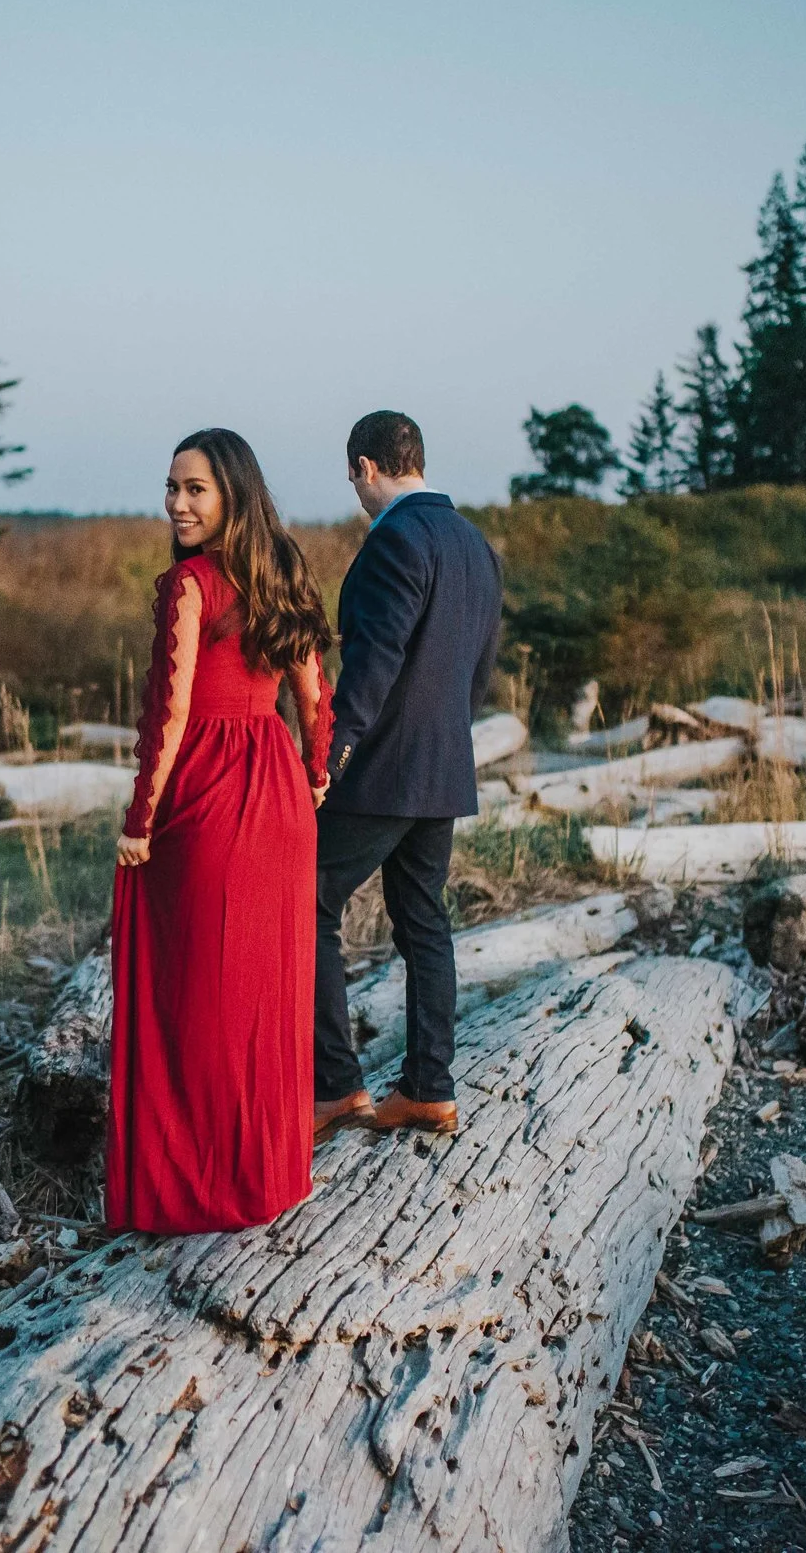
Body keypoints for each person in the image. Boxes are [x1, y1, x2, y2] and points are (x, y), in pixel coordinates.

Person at [106, 429, 336, 1234]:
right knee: (263, 992)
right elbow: (315, 695)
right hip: (274, 790)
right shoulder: (283, 569)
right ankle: (265, 1174)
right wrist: (312, 774)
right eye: (171, 487)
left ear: (232, 492)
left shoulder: (189, 584)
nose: (177, 503)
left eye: (195, 488)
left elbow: (168, 715)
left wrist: (140, 821)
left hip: (206, 792)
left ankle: (197, 1186)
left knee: (197, 993)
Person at [312, 410, 503, 1139]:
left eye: (353, 478)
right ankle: (429, 1087)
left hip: (384, 771)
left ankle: (334, 1086)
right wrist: (450, 737)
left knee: (307, 901)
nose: (355, 490)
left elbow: (373, 663)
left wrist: (331, 757)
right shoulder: (476, 546)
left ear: (365, 467)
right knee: (424, 922)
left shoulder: (394, 539)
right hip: (445, 767)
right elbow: (477, 670)